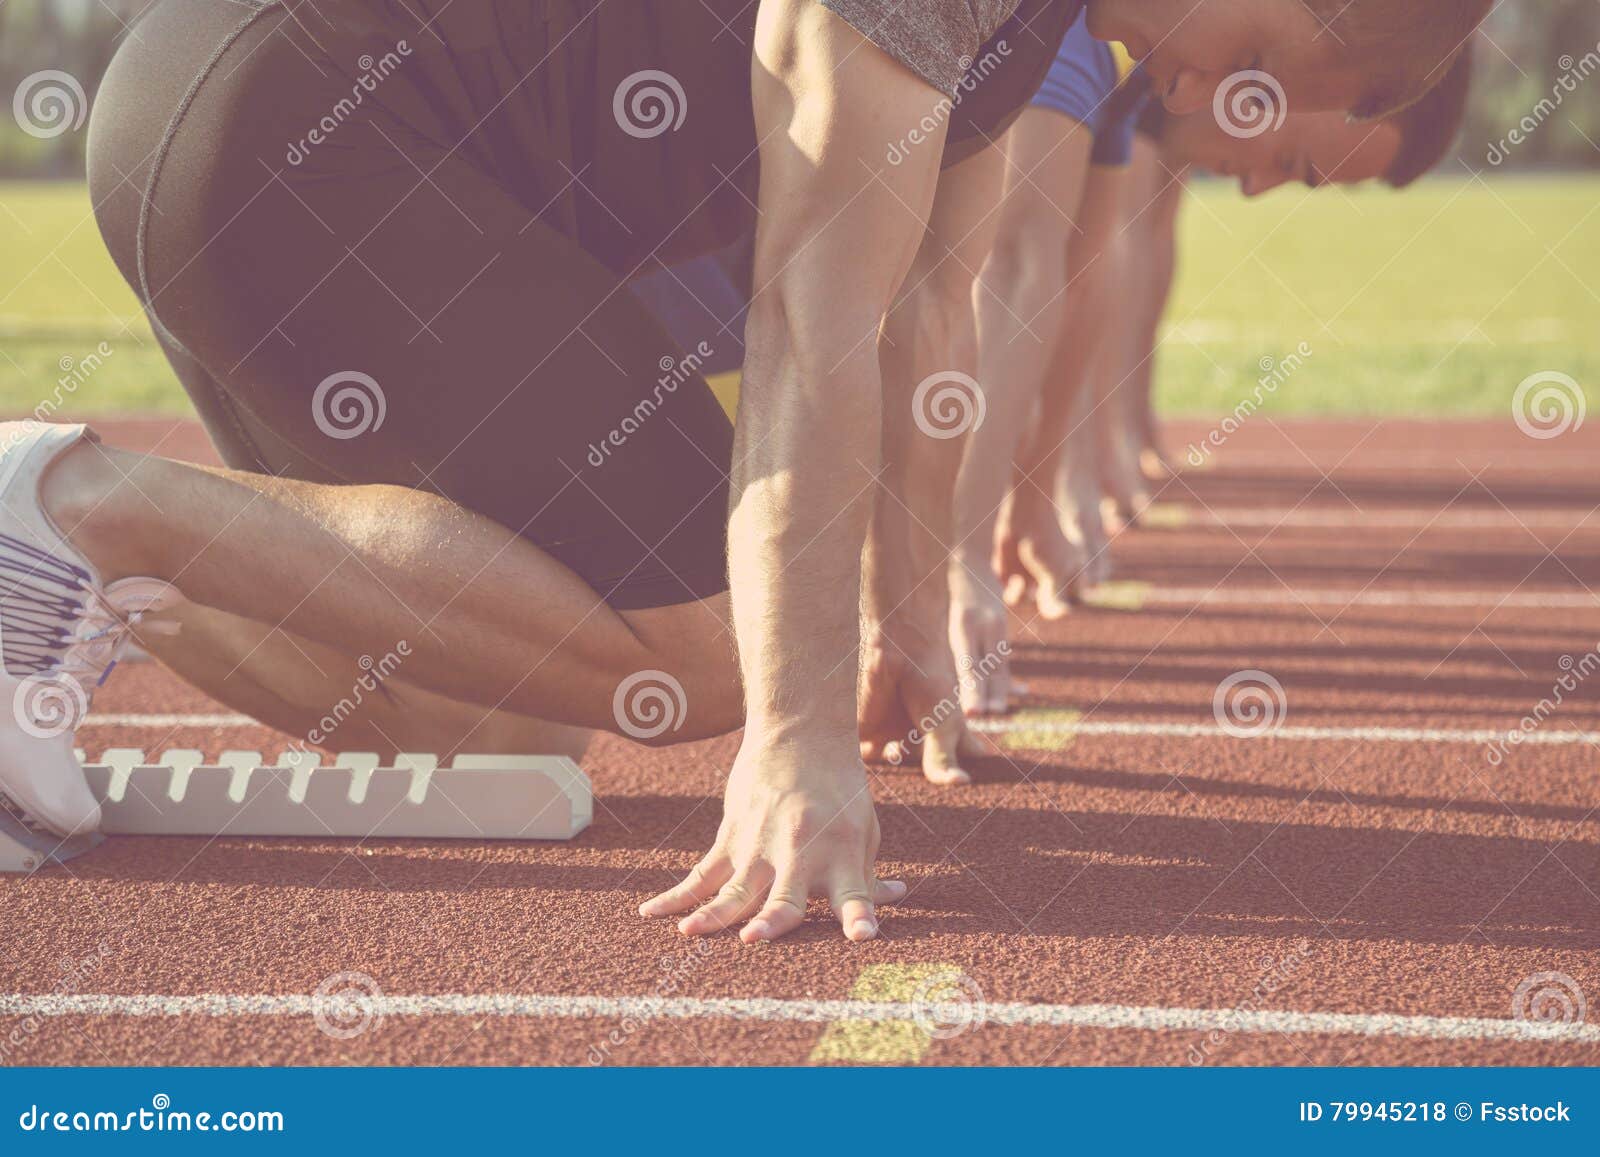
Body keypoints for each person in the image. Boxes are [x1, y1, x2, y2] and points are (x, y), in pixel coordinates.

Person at [0, 0, 1486, 944]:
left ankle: (68, 598)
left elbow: (929, 319)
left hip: (221, 119)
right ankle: (71, 502)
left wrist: (908, 617)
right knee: (700, 661)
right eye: (1258, 65)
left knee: (475, 715)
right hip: (293, 113)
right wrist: (793, 732)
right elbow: (809, 327)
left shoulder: (1038, 34)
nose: (1212, 98)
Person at [954, 42, 1476, 717]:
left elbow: (1080, 276)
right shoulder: (1084, 39)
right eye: (1291, 163)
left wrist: (1032, 499)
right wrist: (953, 569)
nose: (1255, 188)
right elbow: (1019, 268)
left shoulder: (1128, 84)